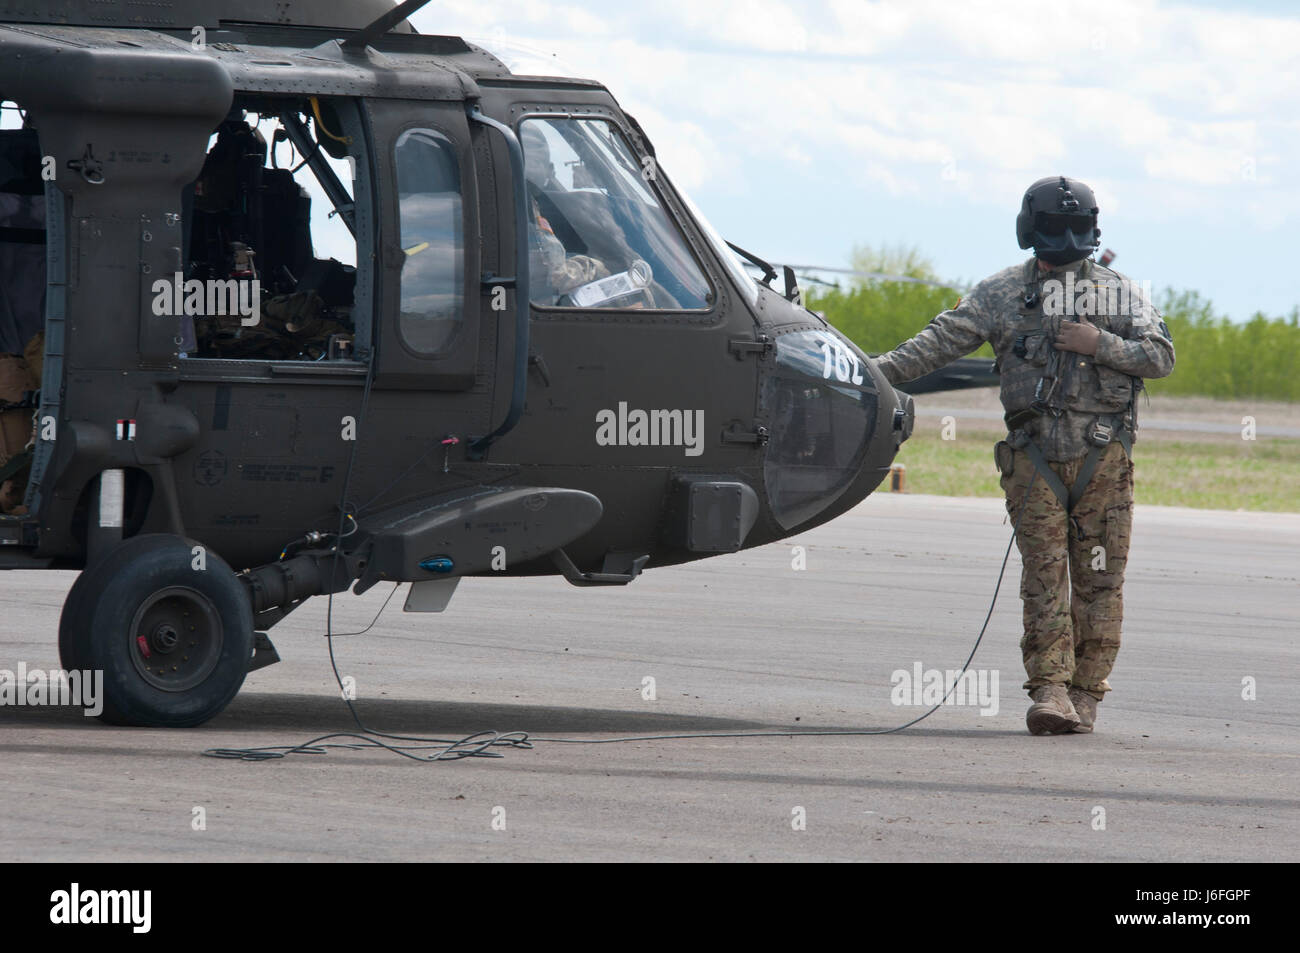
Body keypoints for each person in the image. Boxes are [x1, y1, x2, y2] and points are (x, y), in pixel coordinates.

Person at [873, 175, 1175, 735]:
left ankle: (1085, 694)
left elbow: (1159, 356)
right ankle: (1051, 691)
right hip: (1034, 459)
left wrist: (1098, 344)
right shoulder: (999, 294)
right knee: (1043, 577)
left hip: (1102, 459)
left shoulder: (1118, 292)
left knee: (1099, 580)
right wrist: (863, 371)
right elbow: (931, 348)